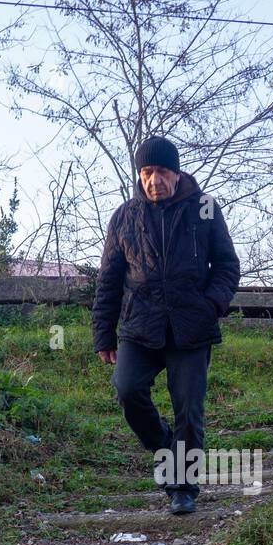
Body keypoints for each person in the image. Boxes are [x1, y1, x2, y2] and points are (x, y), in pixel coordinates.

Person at [91, 135, 241, 514]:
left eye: (160, 171)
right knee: (127, 389)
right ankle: (165, 448)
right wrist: (103, 333)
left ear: (175, 173)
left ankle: (183, 488)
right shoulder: (125, 216)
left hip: (191, 325)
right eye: (146, 172)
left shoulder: (205, 208)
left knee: (189, 408)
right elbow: (109, 278)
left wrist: (211, 303)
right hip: (140, 324)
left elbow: (226, 265)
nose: (153, 180)